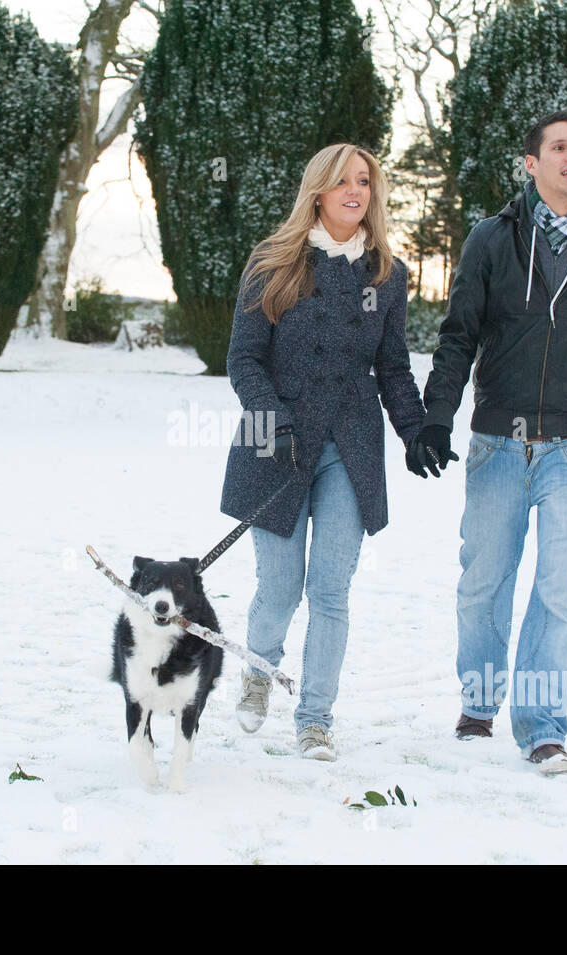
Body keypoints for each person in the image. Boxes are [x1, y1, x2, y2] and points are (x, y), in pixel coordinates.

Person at [409, 110, 567, 774]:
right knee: (483, 582)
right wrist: (436, 417)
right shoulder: (493, 238)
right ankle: (479, 702)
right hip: (496, 443)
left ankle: (543, 726)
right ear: (530, 164)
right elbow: (459, 334)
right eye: (559, 147)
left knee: (557, 590)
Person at [219, 143, 428, 760]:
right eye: (342, 181)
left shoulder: (386, 273)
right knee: (280, 587)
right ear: (318, 190)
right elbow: (243, 360)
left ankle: (315, 719)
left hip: (351, 447)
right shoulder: (276, 261)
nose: (355, 191)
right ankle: (259, 669)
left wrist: (414, 429)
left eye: (364, 181)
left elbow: (392, 368)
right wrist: (270, 421)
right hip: (276, 444)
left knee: (331, 590)